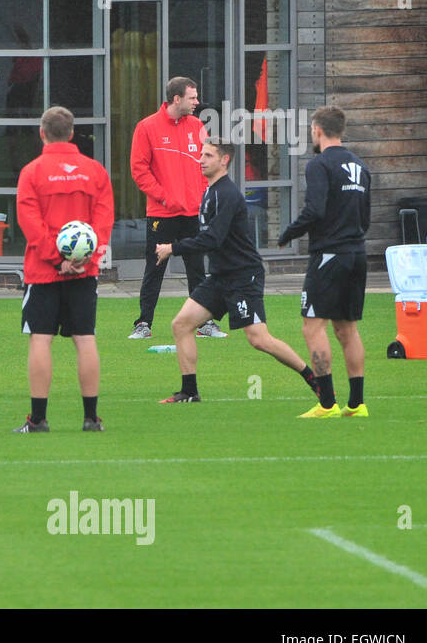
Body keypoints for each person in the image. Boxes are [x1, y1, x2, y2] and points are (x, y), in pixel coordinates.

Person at [154, 141, 320, 406]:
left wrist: (172, 248)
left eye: (208, 155)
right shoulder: (210, 192)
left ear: (225, 160)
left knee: (259, 339)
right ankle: (189, 392)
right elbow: (210, 238)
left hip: (243, 276)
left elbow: (213, 239)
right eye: (200, 155)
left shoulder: (227, 194)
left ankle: (314, 379)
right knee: (181, 324)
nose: (201, 159)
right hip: (220, 276)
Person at [13, 106, 114, 433]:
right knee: (85, 339)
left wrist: (57, 260)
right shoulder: (95, 171)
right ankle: (90, 419)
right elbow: (103, 221)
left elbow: (30, 223)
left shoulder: (32, 171)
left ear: (42, 133)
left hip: (43, 272)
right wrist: (86, 259)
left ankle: (39, 420)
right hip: (83, 274)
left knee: (40, 339)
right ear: (72, 134)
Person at [277, 106, 371, 418]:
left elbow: (314, 209)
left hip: (330, 255)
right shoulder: (360, 166)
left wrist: (289, 233)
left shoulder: (319, 165)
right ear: (340, 130)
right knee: (347, 329)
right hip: (357, 253)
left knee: (312, 326)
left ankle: (327, 404)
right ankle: (357, 405)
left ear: (317, 130)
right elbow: (365, 217)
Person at [129, 76, 226, 340]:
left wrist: (207, 197)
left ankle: (205, 324)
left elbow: (206, 164)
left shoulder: (196, 126)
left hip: (193, 212)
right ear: (176, 99)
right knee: (155, 268)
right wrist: (164, 198)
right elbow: (139, 170)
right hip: (162, 213)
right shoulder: (146, 127)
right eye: (193, 97)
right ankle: (143, 324)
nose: (197, 102)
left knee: (196, 269)